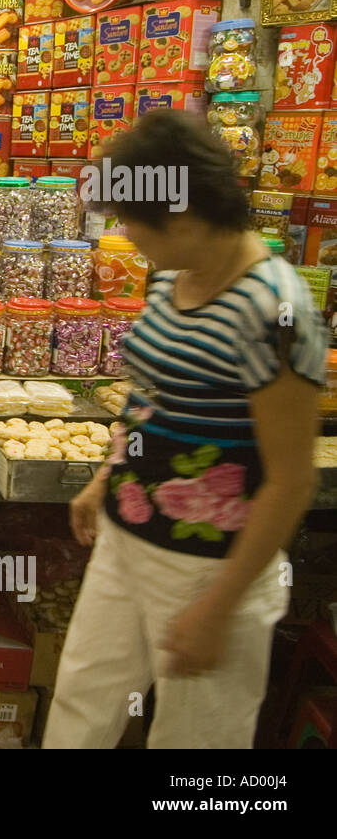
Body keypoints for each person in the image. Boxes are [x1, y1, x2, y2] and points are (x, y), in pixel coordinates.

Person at [43, 110, 324, 749]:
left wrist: (218, 607)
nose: (125, 233)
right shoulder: (171, 278)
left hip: (211, 568)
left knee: (197, 741)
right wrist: (106, 478)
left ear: (184, 216)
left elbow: (291, 480)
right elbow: (151, 399)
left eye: (132, 220)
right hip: (127, 539)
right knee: (82, 705)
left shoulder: (273, 309)